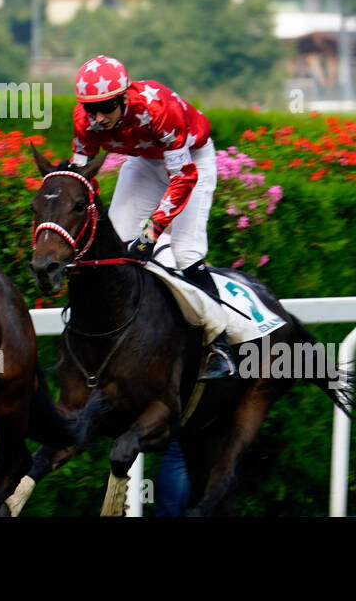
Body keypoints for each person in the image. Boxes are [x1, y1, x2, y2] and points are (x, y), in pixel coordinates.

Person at [70, 55, 234, 379]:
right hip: (144, 161)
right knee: (114, 247)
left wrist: (150, 235)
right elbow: (79, 180)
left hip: (191, 162)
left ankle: (221, 345)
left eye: (107, 108)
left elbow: (182, 177)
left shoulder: (157, 108)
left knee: (186, 253)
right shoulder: (83, 120)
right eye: (92, 110)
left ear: (123, 98)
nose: (99, 118)